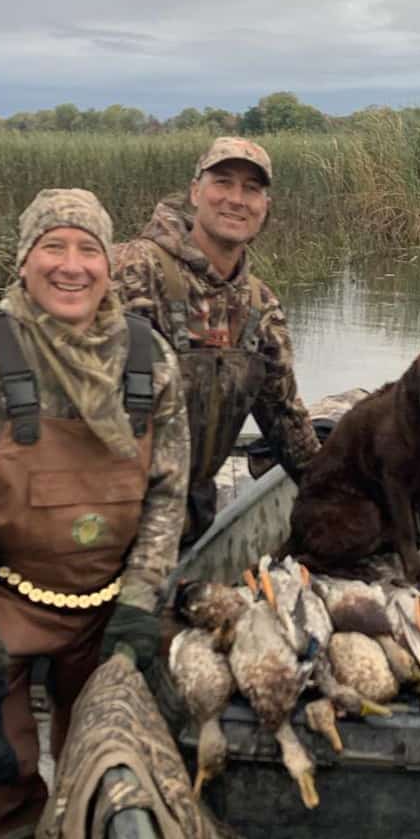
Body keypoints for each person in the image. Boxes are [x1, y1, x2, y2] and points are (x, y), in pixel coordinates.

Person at [0, 188, 188, 839]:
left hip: (110, 599)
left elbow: (168, 494)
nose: (72, 265)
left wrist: (141, 600)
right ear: (25, 260)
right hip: (4, 594)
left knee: (143, 729)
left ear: (108, 264)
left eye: (88, 248)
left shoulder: (149, 356)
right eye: (53, 247)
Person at [114, 136, 320, 545]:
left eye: (252, 189)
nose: (236, 199)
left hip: (189, 520)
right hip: (106, 515)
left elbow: (287, 426)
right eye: (222, 182)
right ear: (195, 192)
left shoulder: (260, 306)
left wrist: (350, 495)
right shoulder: (132, 269)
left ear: (265, 205)